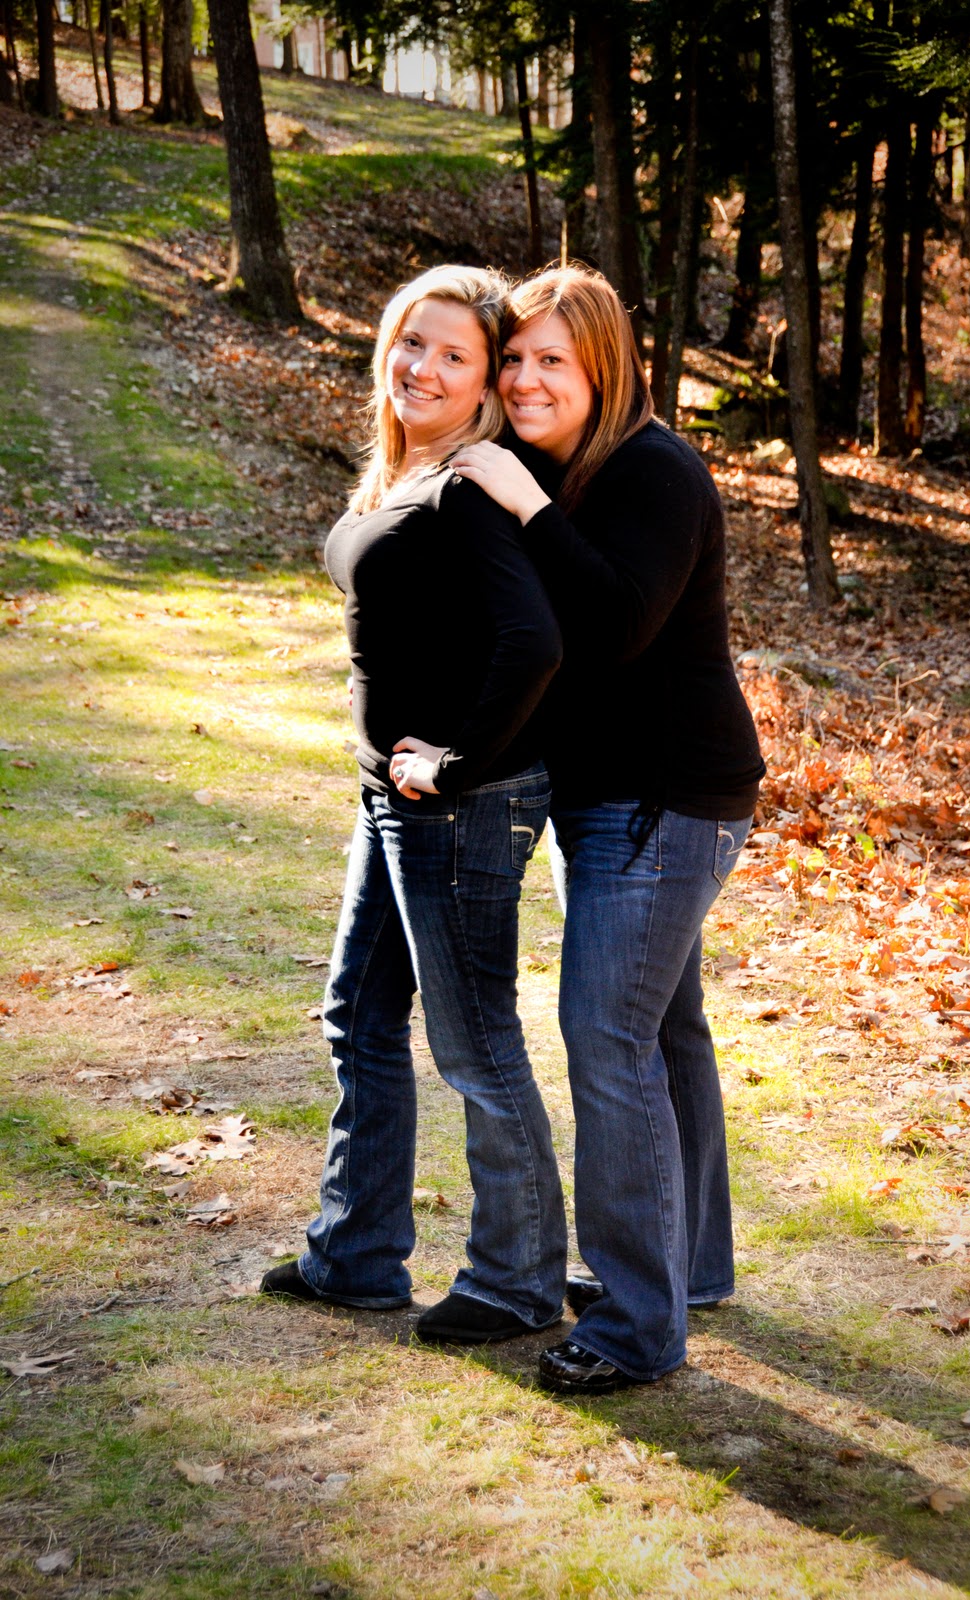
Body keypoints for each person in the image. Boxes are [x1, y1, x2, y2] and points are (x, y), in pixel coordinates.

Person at [451, 265, 765, 1393]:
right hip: (614, 798)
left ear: (602, 368)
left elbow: (622, 623)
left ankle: (638, 1328)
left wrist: (524, 502)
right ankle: (691, 1266)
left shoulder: (652, 471)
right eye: (516, 359)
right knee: (665, 1029)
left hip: (667, 796)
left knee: (606, 1035)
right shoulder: (562, 467)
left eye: (551, 362)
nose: (527, 380)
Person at [260, 264, 568, 1345]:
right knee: (358, 1017)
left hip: (459, 802)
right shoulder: (406, 473)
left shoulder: (469, 485)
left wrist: (456, 758)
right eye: (410, 342)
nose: (422, 367)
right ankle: (353, 1254)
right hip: (390, 796)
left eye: (453, 355)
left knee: (475, 1042)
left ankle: (520, 1281)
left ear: (485, 383)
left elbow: (534, 639)